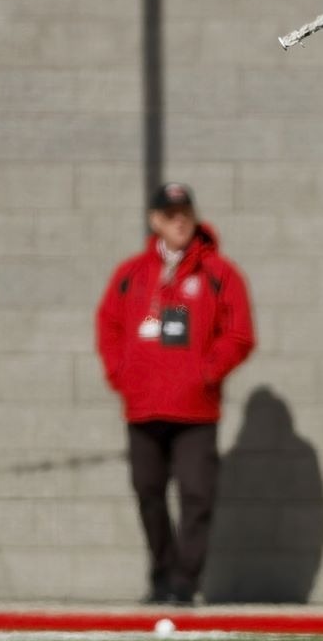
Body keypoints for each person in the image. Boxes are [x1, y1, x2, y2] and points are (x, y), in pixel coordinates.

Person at [97, 182, 256, 604]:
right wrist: (122, 375)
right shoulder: (131, 274)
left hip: (195, 410)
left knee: (196, 496)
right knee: (148, 494)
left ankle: (184, 584)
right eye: (170, 215)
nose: (179, 221)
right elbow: (109, 325)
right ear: (155, 220)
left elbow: (239, 334)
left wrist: (206, 372)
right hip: (143, 407)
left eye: (185, 213)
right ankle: (162, 577)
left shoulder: (219, 274)